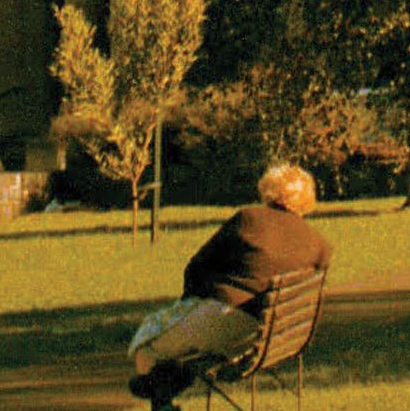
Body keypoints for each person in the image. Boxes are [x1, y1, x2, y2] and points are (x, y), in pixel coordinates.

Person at [127, 163, 333, 409]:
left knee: (146, 347)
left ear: (268, 190)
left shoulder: (249, 219)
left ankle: (164, 392)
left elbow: (197, 265)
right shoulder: (319, 244)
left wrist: (195, 300)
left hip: (224, 322)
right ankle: (172, 380)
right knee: (175, 358)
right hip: (271, 337)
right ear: (307, 199)